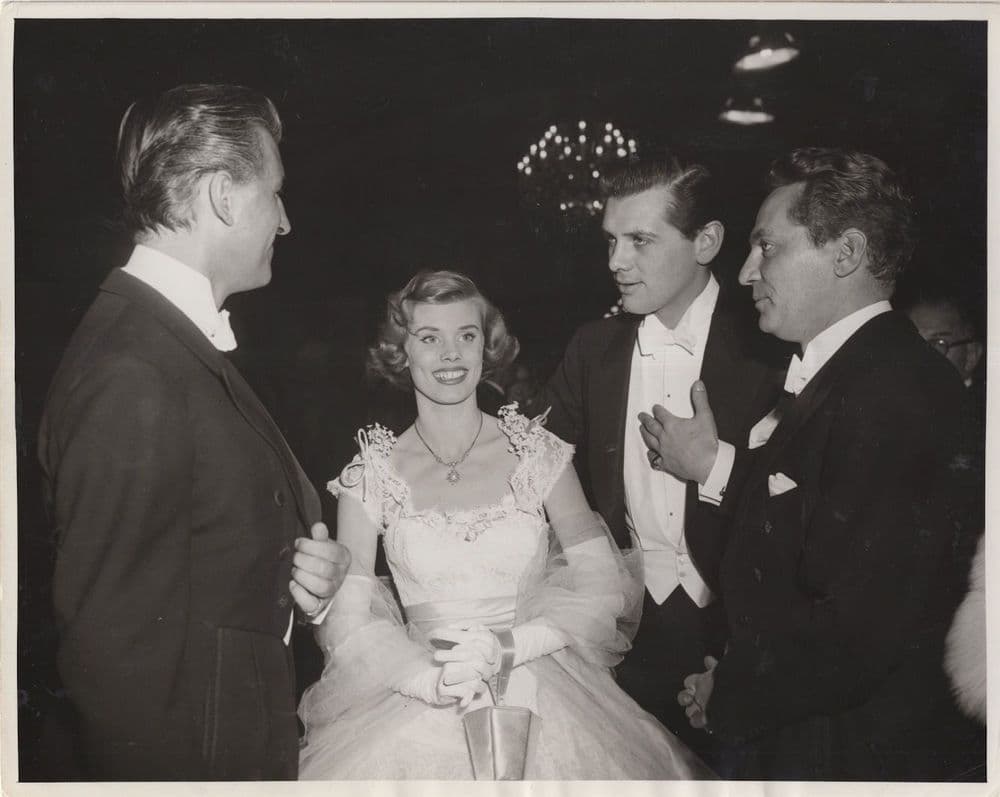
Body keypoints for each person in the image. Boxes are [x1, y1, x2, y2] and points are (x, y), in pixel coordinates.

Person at [37, 84, 350, 781]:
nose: (286, 220)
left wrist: (297, 581)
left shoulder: (171, 343)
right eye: (275, 192)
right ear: (223, 196)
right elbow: (112, 662)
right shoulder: (133, 370)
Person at [642, 147, 982, 780]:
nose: (745, 273)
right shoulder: (851, 376)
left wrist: (733, 691)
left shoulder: (895, 392)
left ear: (846, 254)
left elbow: (861, 627)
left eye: (767, 248)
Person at [297, 270, 713, 779]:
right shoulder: (369, 474)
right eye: (430, 339)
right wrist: (425, 679)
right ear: (402, 354)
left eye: (466, 336)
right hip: (417, 704)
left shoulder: (539, 453)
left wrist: (513, 646)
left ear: (486, 347)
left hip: (545, 694)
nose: (451, 354)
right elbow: (348, 622)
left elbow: (605, 588)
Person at [541, 157, 788, 760]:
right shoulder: (592, 349)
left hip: (735, 635)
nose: (615, 262)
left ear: (706, 242)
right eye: (611, 241)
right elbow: (537, 469)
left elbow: (810, 506)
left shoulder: (771, 345)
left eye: (640, 241)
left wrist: (714, 464)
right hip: (622, 633)